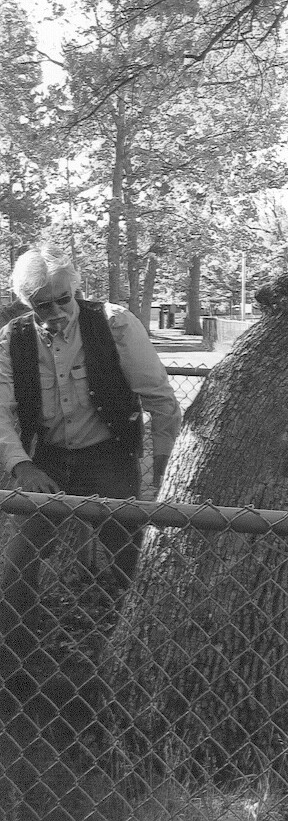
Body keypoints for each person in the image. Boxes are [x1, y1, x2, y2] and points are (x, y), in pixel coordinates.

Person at [0, 246, 182, 700]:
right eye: (43, 304)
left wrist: (164, 470)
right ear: (26, 302)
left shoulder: (115, 324)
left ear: (75, 289)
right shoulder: (12, 339)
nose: (56, 311)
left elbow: (161, 401)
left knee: (129, 560)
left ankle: (144, 662)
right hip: (47, 463)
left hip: (108, 458)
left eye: (64, 299)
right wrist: (21, 464)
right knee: (17, 567)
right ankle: (20, 673)